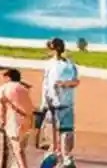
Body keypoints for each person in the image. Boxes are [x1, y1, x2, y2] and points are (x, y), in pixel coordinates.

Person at [40, 37, 80, 167]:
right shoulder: (55, 65)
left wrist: (64, 84)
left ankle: (62, 156)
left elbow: (75, 82)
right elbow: (46, 84)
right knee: (60, 131)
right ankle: (61, 155)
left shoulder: (68, 65)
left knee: (61, 131)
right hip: (56, 103)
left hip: (60, 103)